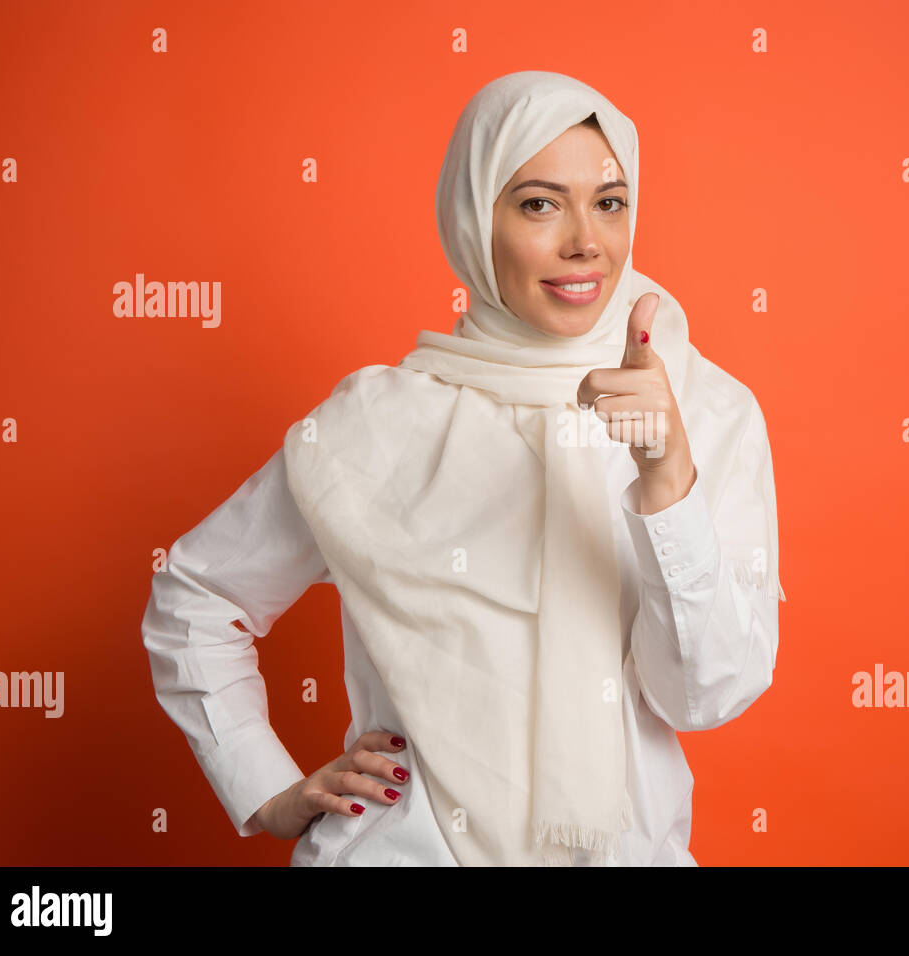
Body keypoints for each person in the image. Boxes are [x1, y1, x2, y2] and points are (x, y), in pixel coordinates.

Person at [142, 70, 785, 867]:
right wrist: (263, 785)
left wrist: (664, 478)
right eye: (539, 203)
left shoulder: (704, 409)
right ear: (474, 218)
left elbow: (705, 696)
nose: (586, 239)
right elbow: (195, 594)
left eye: (610, 201)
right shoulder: (379, 423)